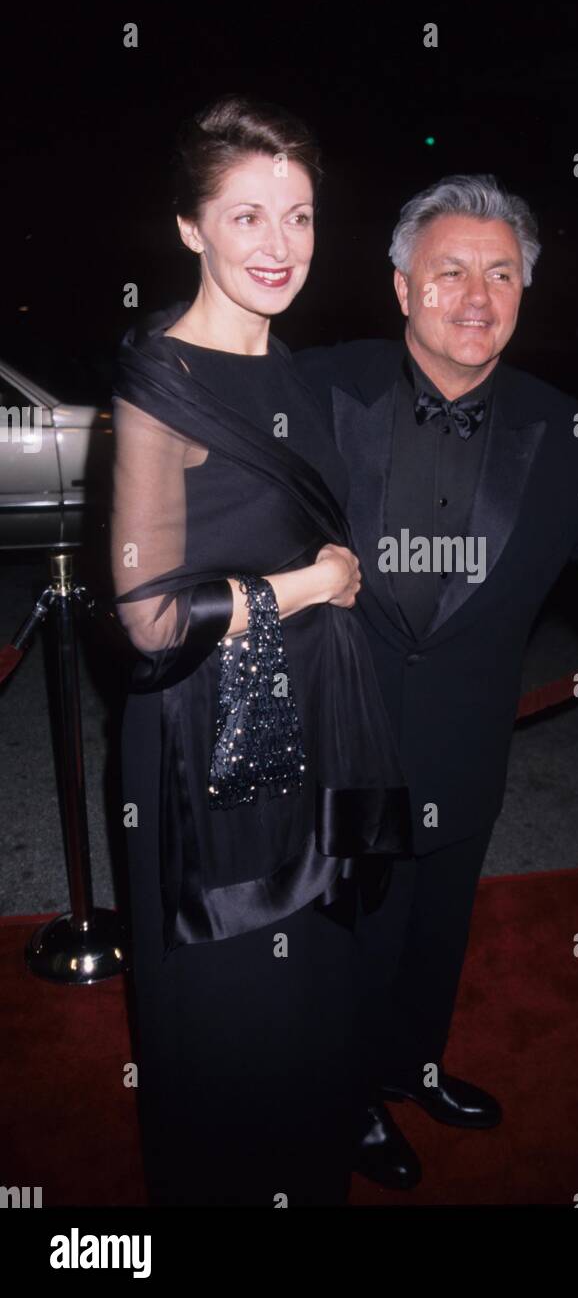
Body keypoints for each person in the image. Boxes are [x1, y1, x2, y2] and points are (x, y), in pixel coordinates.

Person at [292, 173, 578, 1188]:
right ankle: (342, 1092)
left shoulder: (564, 429)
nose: (475, 297)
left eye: (500, 273)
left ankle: (412, 1064)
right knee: (347, 926)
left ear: (525, 291)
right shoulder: (310, 388)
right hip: (338, 726)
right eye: (448, 271)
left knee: (438, 922)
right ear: (402, 286)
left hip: (466, 733)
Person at [110, 94, 411, 1206]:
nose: (279, 245)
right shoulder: (159, 377)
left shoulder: (298, 371)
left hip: (316, 712)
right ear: (190, 227)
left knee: (310, 988)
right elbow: (145, 621)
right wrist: (316, 582)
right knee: (231, 1002)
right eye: (246, 217)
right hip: (205, 735)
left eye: (299, 215)